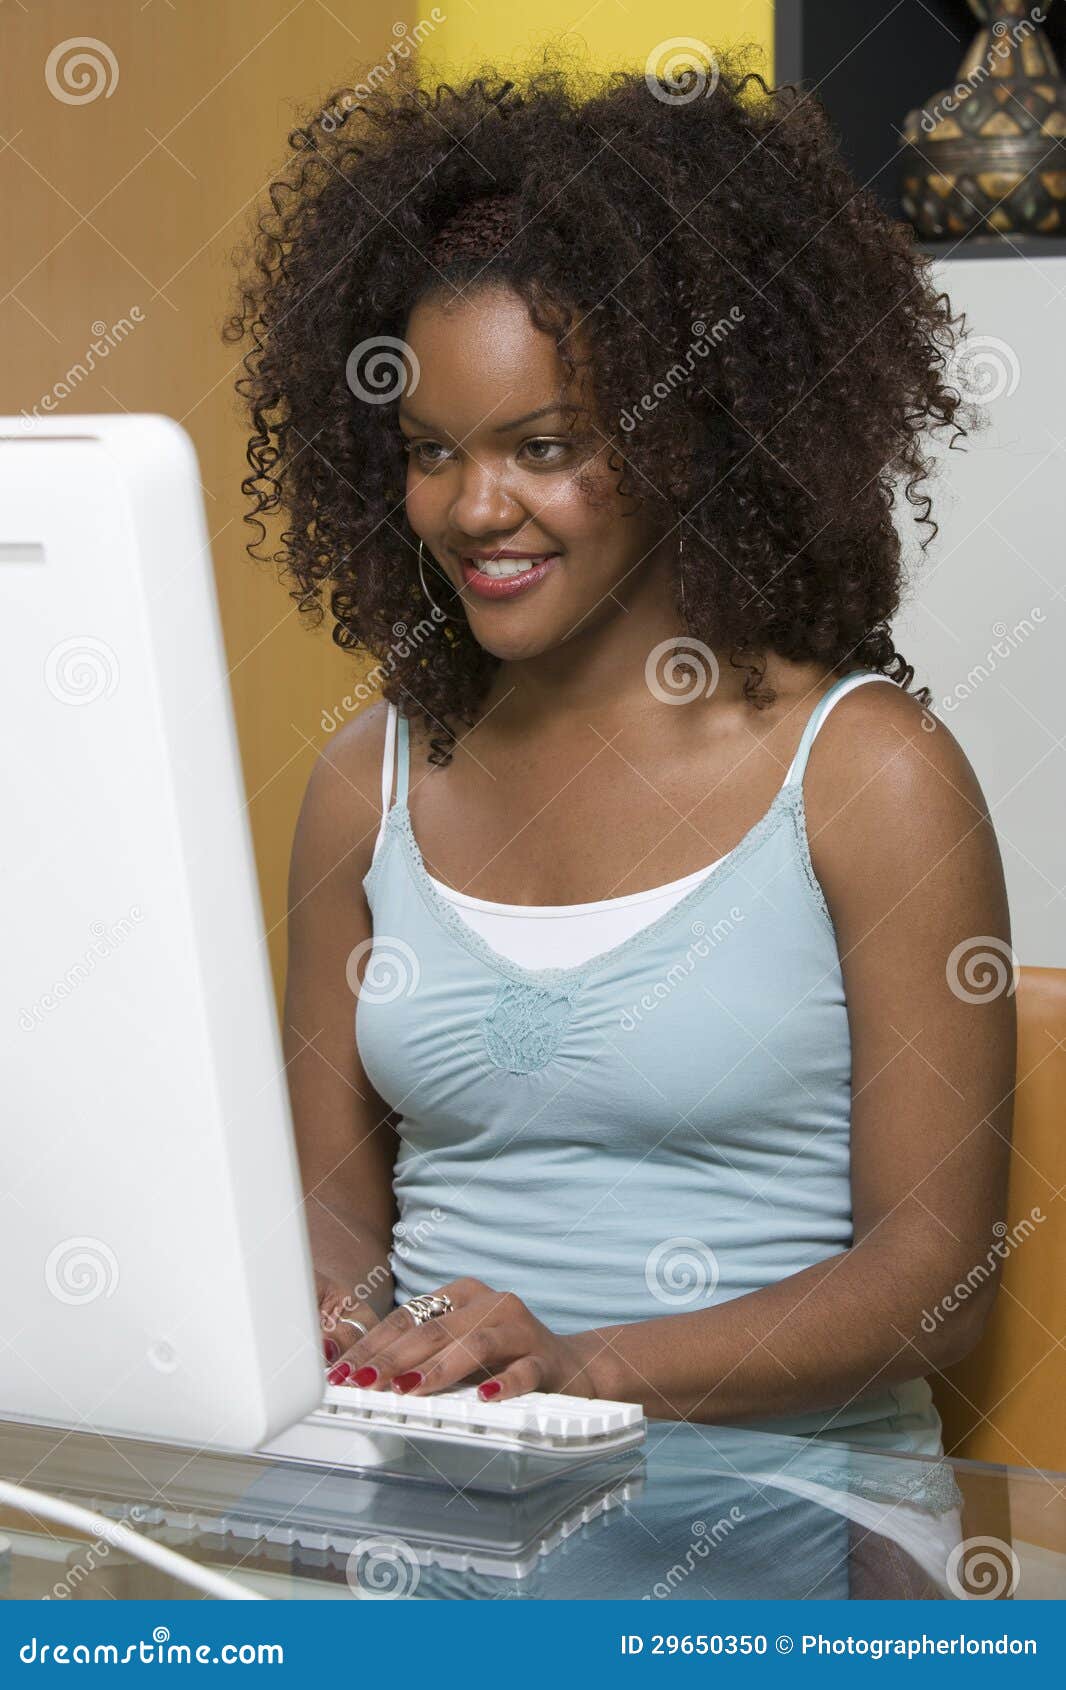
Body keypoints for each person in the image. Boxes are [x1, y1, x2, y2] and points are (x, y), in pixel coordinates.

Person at [225, 49, 1015, 1455]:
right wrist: (362, 1340)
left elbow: (933, 1283)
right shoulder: (366, 783)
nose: (476, 508)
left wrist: (581, 1372)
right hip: (452, 1482)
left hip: (784, 1507)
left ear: (688, 437)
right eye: (429, 450)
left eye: (543, 446)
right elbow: (330, 1201)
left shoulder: (868, 776)